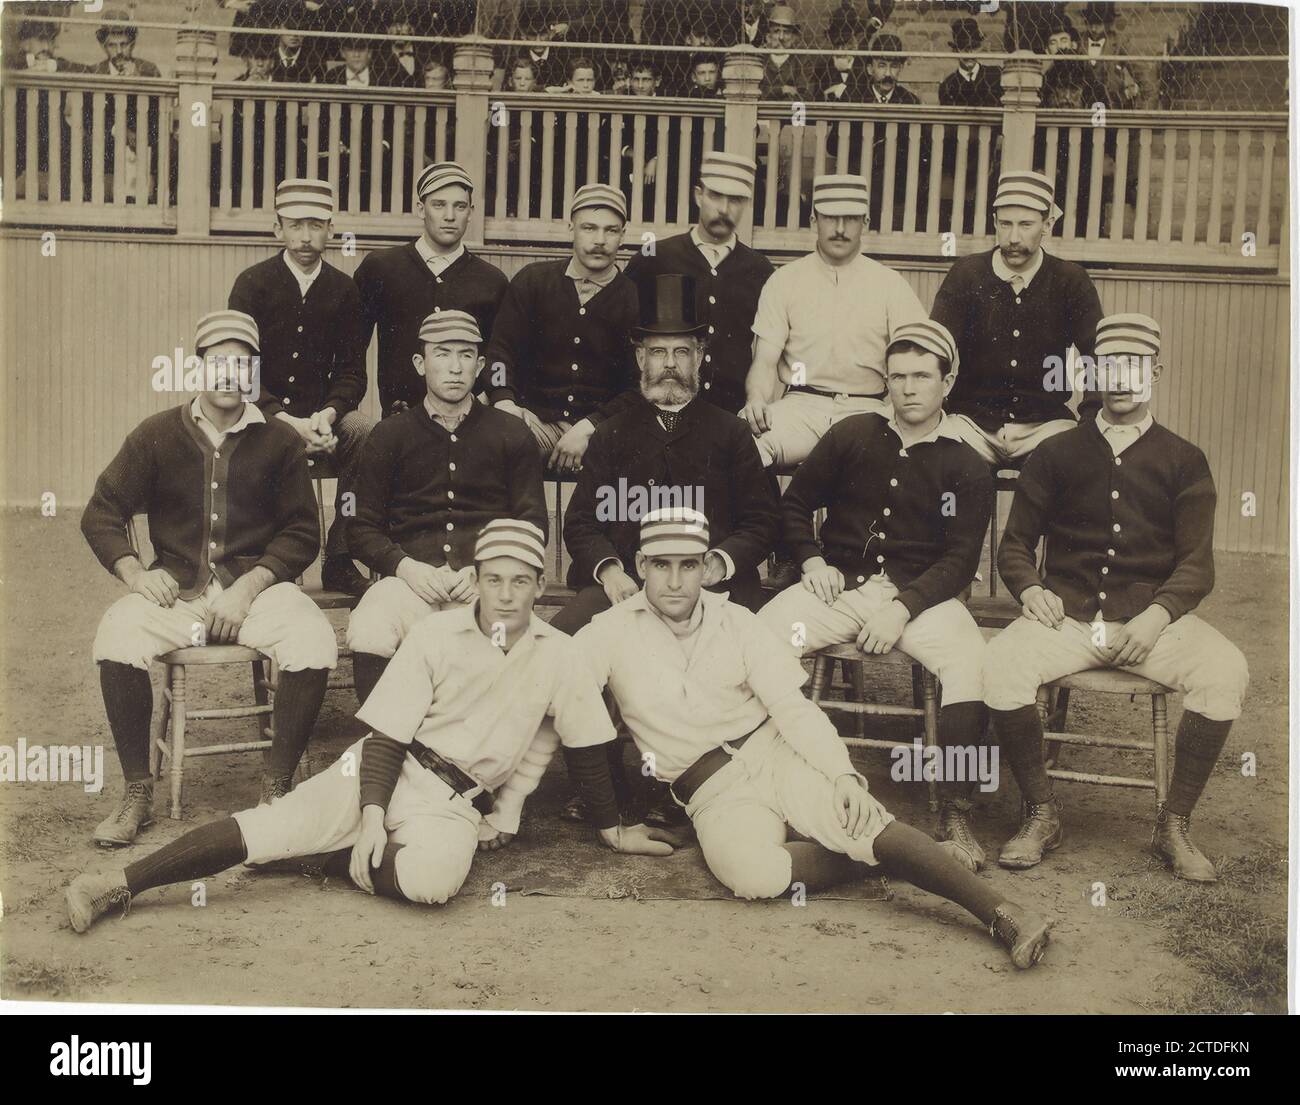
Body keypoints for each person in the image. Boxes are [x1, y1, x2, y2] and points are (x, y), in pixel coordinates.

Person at [65, 520, 672, 935]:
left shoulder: (560, 654)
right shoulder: (437, 632)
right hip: (388, 767)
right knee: (270, 825)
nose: (506, 595)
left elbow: (588, 747)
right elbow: (388, 736)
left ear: (541, 587)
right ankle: (118, 884)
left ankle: (320, 860)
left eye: (521, 581)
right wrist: (375, 814)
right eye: (494, 578)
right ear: (477, 580)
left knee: (433, 883)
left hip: (456, 804)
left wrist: (611, 829)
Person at [574, 509, 1051, 970]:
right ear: (640, 566)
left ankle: (1004, 913)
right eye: (661, 565)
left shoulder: (737, 621)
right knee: (752, 876)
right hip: (711, 792)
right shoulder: (608, 633)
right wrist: (608, 824)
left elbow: (793, 708)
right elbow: (573, 708)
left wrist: (841, 774)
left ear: (707, 567)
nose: (675, 581)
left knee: (858, 816)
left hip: (774, 750)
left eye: (688, 566)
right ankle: (898, 860)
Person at [984, 314, 1249, 883]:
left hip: (1150, 624)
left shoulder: (1184, 459)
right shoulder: (1057, 453)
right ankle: (1041, 812)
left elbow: (1197, 565)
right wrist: (1031, 589)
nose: (1122, 379)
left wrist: (1157, 616)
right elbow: (1015, 546)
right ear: (1091, 372)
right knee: (1000, 663)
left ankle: (1172, 823)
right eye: (1109, 366)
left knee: (1226, 670)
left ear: (1155, 372)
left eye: (1134, 367)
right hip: (1070, 620)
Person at [81, 309, 337, 842]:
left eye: (242, 364)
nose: (229, 375)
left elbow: (301, 533)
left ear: (255, 374)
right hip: (179, 593)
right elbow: (102, 512)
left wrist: (250, 585)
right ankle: (137, 793)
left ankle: (277, 789)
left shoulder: (280, 441)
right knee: (117, 633)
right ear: (196, 369)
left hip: (254, 592)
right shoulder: (156, 435)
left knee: (312, 637)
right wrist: (134, 574)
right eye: (218, 362)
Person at [759, 320, 995, 868]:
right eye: (897, 377)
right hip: (836, 585)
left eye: (921, 376)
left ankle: (956, 811)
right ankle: (781, 785)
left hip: (923, 600)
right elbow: (793, 506)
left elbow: (960, 560)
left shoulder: (967, 464)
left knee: (970, 662)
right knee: (762, 637)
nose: (908, 388)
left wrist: (903, 606)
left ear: (947, 381)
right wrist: (811, 559)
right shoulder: (852, 434)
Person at [347, 310, 547, 702]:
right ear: (421, 363)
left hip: (485, 585)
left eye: (466, 355)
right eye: (442, 354)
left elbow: (533, 522)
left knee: (501, 659)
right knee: (371, 621)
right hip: (412, 582)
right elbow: (359, 525)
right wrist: (404, 567)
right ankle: (385, 743)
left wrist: (483, 569)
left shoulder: (511, 433)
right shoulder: (390, 434)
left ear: (481, 365)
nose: (455, 367)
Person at [227, 178, 372, 597]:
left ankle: (341, 558)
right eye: (295, 225)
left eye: (316, 225)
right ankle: (277, 562)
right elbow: (240, 368)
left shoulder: (344, 290)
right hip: (263, 416)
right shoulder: (252, 284)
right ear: (278, 229)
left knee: (365, 432)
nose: (306, 237)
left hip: (323, 420)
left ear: (330, 229)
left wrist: (327, 415)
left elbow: (352, 373)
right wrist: (284, 420)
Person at [743, 174, 927, 471]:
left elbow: (917, 358)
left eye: (851, 219)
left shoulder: (890, 284)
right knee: (743, 446)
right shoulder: (785, 281)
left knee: (892, 465)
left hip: (867, 410)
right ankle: (774, 519)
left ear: (865, 223)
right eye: (830, 218)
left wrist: (895, 412)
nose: (840, 230)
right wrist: (756, 400)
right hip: (801, 408)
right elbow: (765, 362)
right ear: (814, 220)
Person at [930, 170, 1105, 468]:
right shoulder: (967, 274)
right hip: (972, 425)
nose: (1013, 238)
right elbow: (935, 349)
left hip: (1045, 425)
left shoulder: (1070, 280)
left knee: (1074, 467)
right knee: (939, 464)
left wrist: (1090, 417)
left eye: (1026, 225)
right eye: (1005, 224)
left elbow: (1097, 355)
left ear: (1047, 224)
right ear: (995, 222)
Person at [484, 184, 640, 473]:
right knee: (492, 441)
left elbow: (638, 387)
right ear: (571, 228)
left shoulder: (635, 300)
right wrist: (503, 401)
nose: (600, 240)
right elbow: (499, 354)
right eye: (589, 228)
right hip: (535, 423)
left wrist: (591, 426)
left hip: (602, 432)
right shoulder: (533, 282)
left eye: (611, 230)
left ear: (623, 234)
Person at [623, 152, 774, 415]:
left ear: (747, 204)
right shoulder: (656, 257)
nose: (724, 209)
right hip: (660, 409)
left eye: (736, 200)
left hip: (730, 414)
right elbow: (625, 336)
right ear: (698, 195)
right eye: (715, 196)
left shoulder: (759, 269)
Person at [354, 161, 509, 417]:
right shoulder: (381, 268)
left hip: (471, 422)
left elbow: (501, 356)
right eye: (439, 205)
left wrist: (488, 397)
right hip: (400, 420)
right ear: (420, 209)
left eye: (460, 206)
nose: (450, 216)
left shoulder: (492, 280)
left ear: (471, 212)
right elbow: (352, 346)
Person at [938, 17, 1002, 107]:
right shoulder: (948, 86)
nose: (970, 54)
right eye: (964, 48)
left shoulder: (995, 75)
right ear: (955, 51)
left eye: (974, 47)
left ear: (980, 49)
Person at [759, 6, 811, 102]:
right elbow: (754, 92)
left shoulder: (802, 62)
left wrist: (770, 92)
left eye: (786, 32)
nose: (781, 37)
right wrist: (782, 90)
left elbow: (806, 96)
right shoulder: (760, 59)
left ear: (794, 36)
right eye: (776, 31)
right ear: (768, 35)